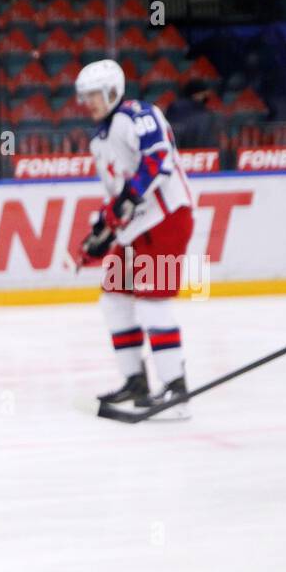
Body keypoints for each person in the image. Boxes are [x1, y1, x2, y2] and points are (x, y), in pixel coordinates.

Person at [75, 59, 195, 413]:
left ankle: (176, 390)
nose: (90, 103)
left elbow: (158, 160)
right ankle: (136, 382)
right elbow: (117, 195)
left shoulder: (137, 115)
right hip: (136, 229)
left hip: (166, 218)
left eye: (96, 94)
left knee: (151, 302)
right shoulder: (99, 141)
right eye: (86, 97)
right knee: (113, 299)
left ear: (113, 90)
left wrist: (127, 200)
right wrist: (100, 230)